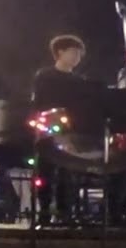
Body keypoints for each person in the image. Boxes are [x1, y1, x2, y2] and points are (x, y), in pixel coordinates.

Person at [31, 34, 90, 225]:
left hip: (71, 132)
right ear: (60, 53)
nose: (77, 57)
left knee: (68, 172)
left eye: (79, 54)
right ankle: (45, 211)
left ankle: (66, 212)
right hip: (48, 128)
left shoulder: (79, 80)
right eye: (73, 52)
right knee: (45, 172)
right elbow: (39, 103)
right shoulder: (44, 76)